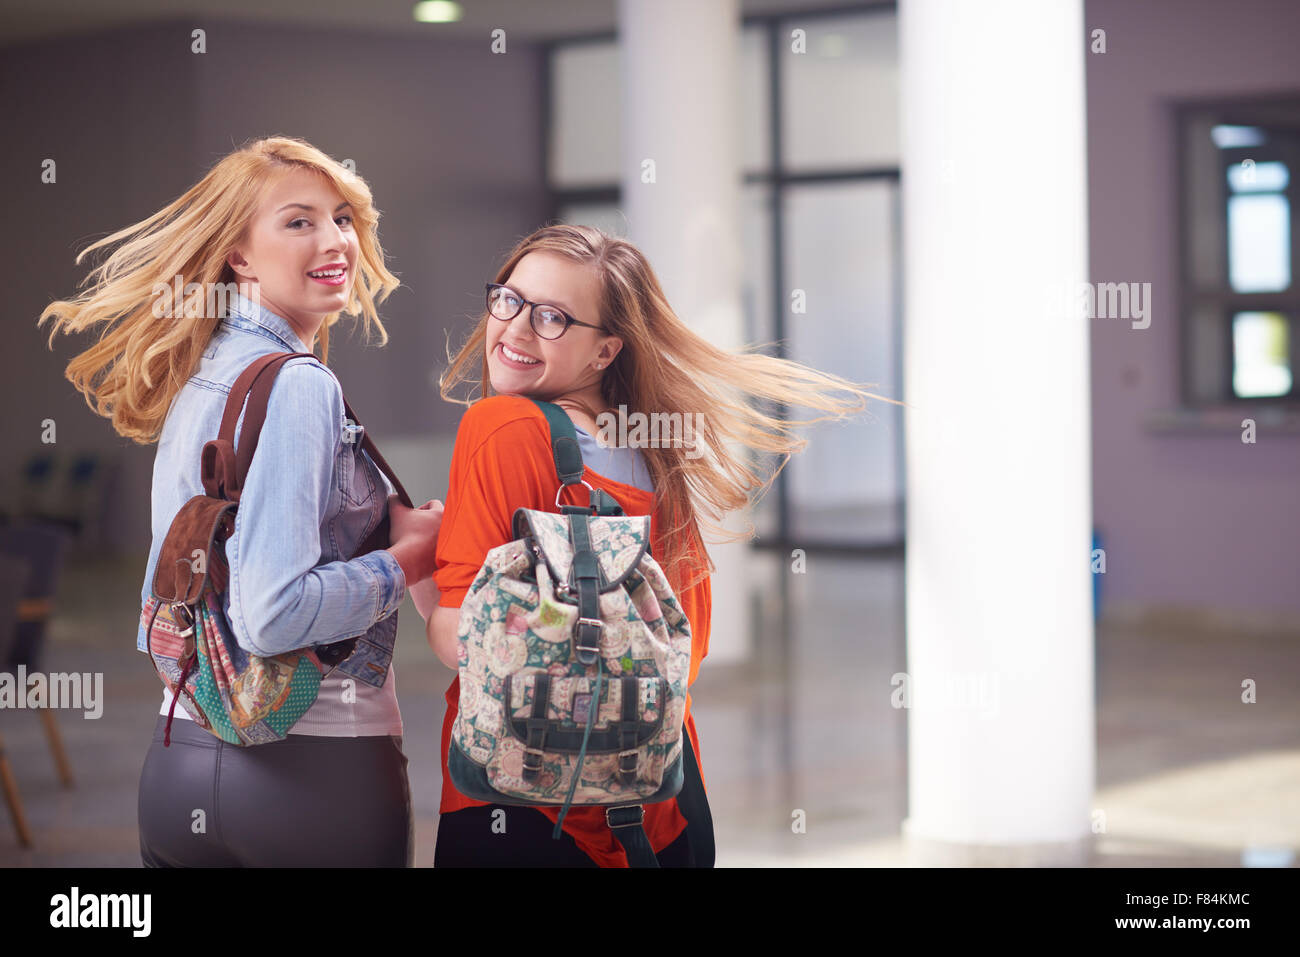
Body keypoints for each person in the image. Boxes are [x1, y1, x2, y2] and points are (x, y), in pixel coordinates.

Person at [412, 223, 893, 867]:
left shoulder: (501, 425)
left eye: (552, 317)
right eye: (509, 299)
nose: (516, 329)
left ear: (605, 351)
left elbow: (464, 643)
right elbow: (685, 650)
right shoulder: (656, 448)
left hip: (523, 812)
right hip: (663, 815)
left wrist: (419, 566)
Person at [39, 136, 442, 867]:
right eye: (299, 221)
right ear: (239, 256)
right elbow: (272, 611)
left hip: (180, 764)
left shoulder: (207, 368)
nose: (335, 240)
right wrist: (403, 558)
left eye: (343, 217)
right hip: (314, 775)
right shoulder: (296, 383)